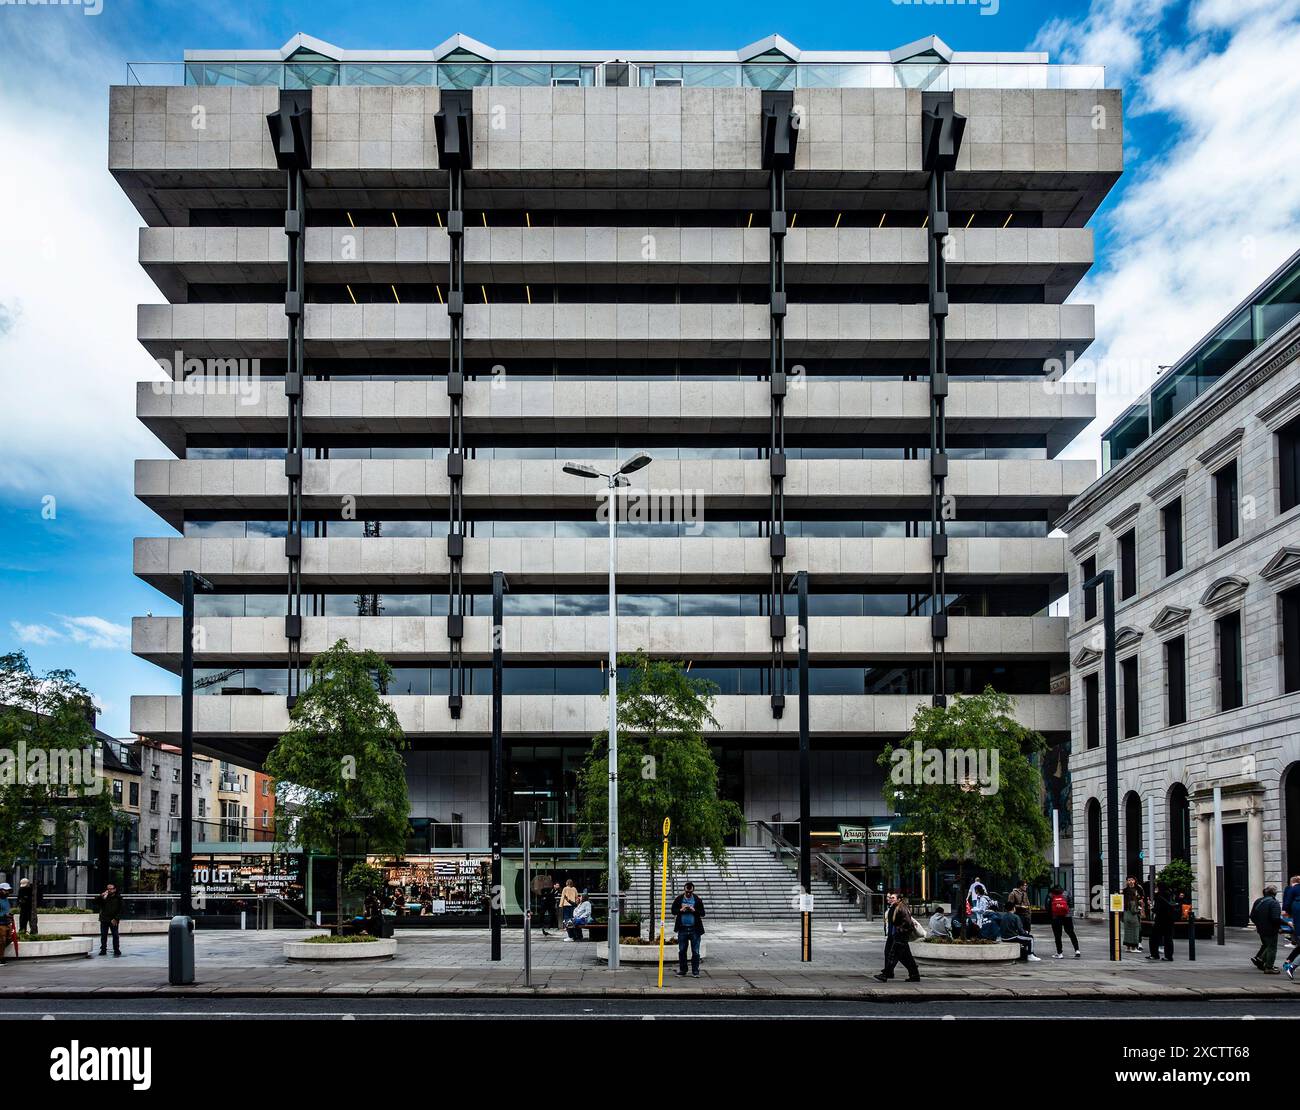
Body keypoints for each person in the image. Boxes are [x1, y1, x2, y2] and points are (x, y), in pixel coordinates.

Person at [874, 892, 921, 983]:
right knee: (906, 957)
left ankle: (886, 974)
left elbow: (908, 923)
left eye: (893, 898)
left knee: (893, 956)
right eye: (890, 897)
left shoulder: (902, 908)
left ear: (899, 899)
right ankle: (914, 975)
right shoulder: (894, 907)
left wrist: (899, 931)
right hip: (896, 936)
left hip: (900, 936)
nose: (891, 899)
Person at [670, 881, 706, 977]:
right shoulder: (679, 899)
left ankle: (695, 971)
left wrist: (694, 910)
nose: (689, 894)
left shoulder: (697, 899)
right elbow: (673, 911)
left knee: (696, 951)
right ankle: (683, 970)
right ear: (684, 890)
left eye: (690, 892)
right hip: (682, 929)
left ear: (693, 891)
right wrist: (681, 910)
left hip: (695, 929)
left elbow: (703, 913)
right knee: (682, 950)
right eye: (687, 892)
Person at [1249, 884, 1282, 974]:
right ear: (1275, 893)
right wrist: (1281, 926)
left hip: (1261, 928)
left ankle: (1261, 959)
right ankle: (1268, 966)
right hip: (1270, 929)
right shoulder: (1274, 903)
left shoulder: (1259, 901)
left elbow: (1252, 916)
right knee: (1272, 947)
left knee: (1267, 945)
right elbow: (1275, 918)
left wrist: (1258, 924)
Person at [1047, 885, 1080, 959]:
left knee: (1058, 935)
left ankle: (1060, 953)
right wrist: (1069, 913)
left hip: (1056, 917)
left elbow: (1048, 906)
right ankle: (1077, 950)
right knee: (1071, 933)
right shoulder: (1066, 893)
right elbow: (1071, 904)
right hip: (1067, 916)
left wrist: (1051, 916)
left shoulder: (1051, 894)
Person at [1146, 881, 1175, 962]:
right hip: (1170, 920)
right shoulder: (1170, 894)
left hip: (1160, 920)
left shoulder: (1159, 896)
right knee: (1168, 938)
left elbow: (1156, 910)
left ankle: (1154, 954)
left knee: (1154, 937)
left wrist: (1151, 907)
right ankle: (1169, 956)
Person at [94, 882, 124, 957]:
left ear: (114, 889)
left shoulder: (118, 898)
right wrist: (101, 896)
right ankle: (103, 949)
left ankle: (116, 949)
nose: (109, 890)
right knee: (103, 935)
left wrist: (116, 918)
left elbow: (121, 909)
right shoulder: (104, 897)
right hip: (104, 919)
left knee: (115, 935)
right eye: (108, 889)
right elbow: (94, 902)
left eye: (111, 889)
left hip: (113, 920)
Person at [1121, 876, 1144, 953]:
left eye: (1132, 880)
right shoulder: (1125, 891)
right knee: (1132, 929)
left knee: (1131, 929)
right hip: (1130, 911)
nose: (1130, 881)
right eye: (1129, 880)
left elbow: (1142, 898)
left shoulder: (1138, 889)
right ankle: (1132, 947)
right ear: (1127, 881)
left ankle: (1131, 947)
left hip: (1131, 911)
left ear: (1134, 881)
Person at [1282, 875, 1300, 950]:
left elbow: (1288, 901)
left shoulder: (1292, 889)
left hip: (1296, 907)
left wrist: (1284, 910)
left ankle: (1295, 942)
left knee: (1296, 924)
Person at [0, 883, 12, 965]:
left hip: (7, 922)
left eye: (8, 890)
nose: (7, 892)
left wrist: (9, 915)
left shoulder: (6, 899)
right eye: (5, 890)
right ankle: (1, 958)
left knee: (8, 939)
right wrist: (4, 915)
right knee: (2, 941)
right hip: (0, 923)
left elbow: (6, 910)